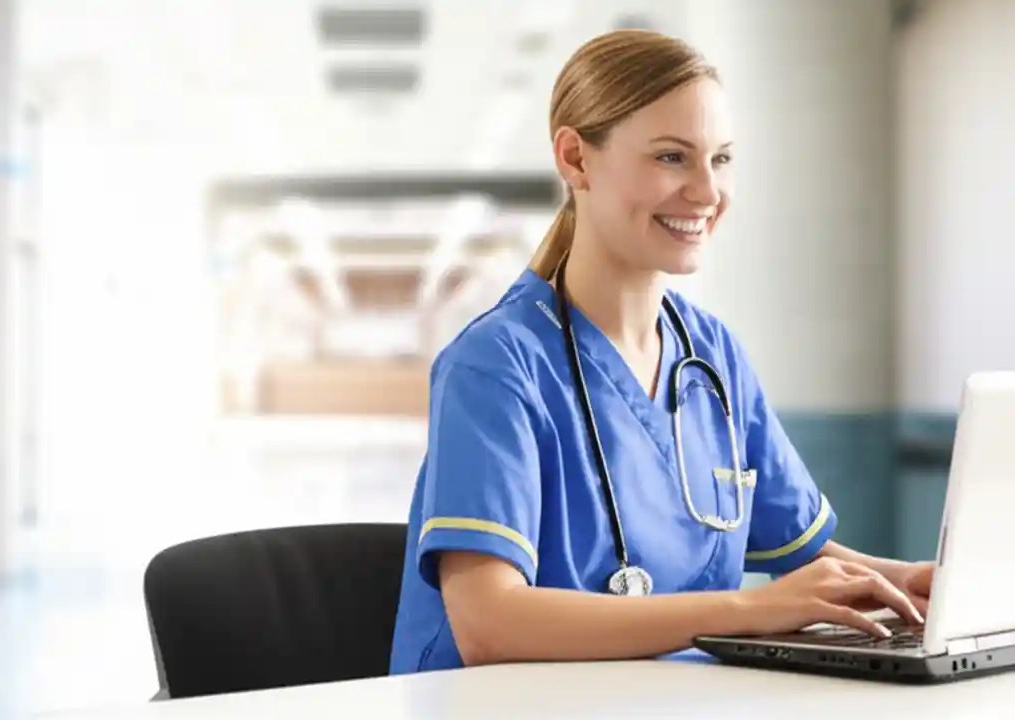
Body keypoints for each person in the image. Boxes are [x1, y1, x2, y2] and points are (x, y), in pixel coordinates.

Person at [388, 29, 933, 674]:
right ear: (575, 158)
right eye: (672, 157)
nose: (707, 192)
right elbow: (488, 621)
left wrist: (921, 584)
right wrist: (745, 611)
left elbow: (806, 560)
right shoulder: (496, 366)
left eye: (721, 159)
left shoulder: (711, 355)